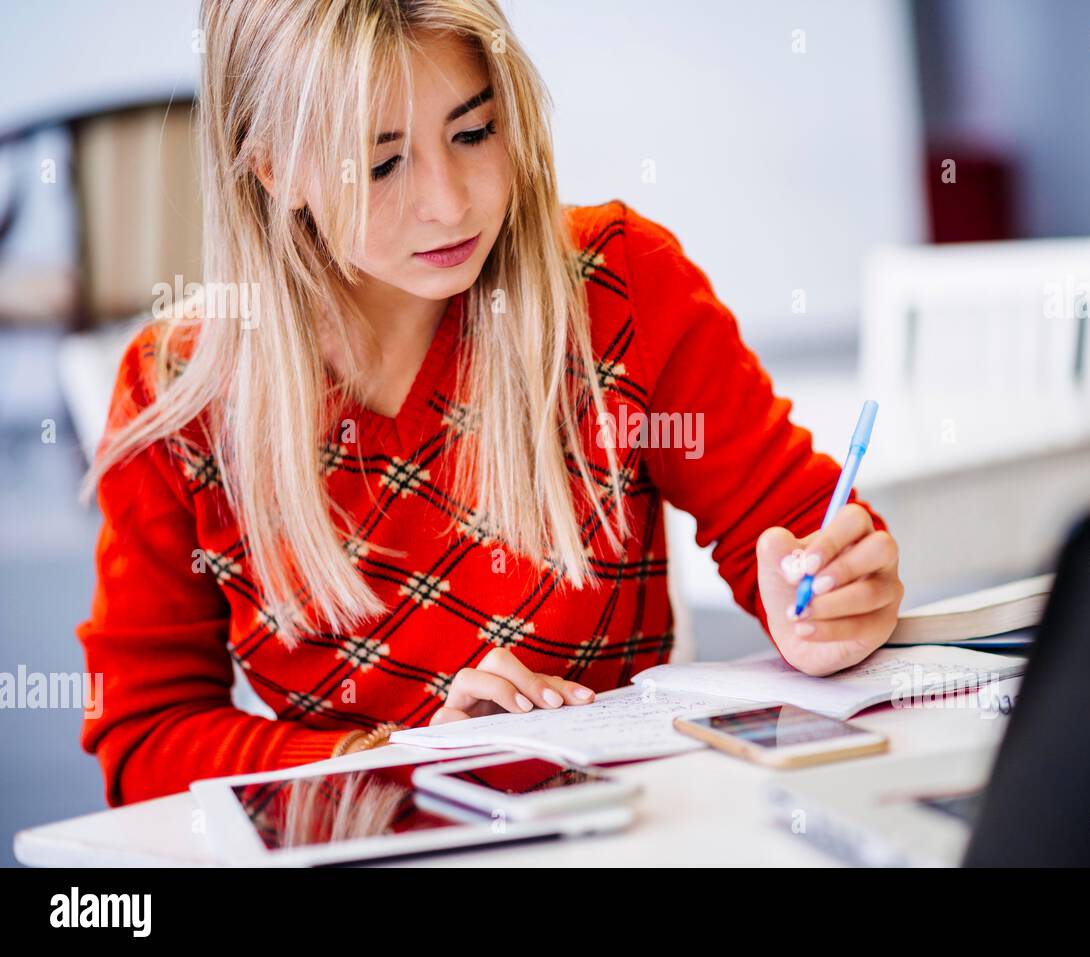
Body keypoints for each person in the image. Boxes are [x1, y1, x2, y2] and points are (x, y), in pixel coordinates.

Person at [77, 0, 902, 807]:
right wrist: (401, 760)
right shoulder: (178, 397)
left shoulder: (621, 291)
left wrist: (824, 598)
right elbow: (143, 736)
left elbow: (799, 531)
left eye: (473, 132)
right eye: (381, 162)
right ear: (273, 170)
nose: (450, 200)